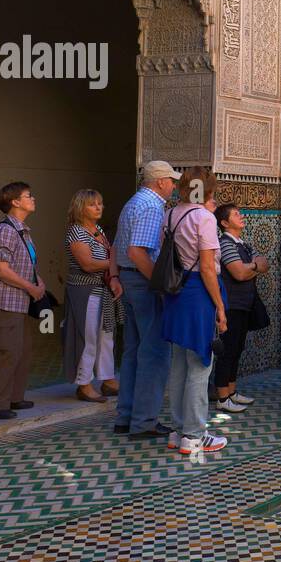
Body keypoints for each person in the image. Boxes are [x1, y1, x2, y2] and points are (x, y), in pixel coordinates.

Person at [161, 166, 229, 455]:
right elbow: (206, 267)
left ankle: (178, 431)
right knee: (200, 366)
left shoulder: (171, 214)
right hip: (198, 294)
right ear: (208, 190)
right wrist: (220, 306)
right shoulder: (204, 217)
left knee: (178, 364)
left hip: (175, 293)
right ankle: (195, 434)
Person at [113, 160, 180, 439]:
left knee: (133, 351)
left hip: (129, 281)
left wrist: (116, 278)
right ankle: (144, 422)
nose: (174, 186)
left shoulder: (132, 202)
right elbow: (137, 251)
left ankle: (126, 417)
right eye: (172, 181)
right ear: (160, 182)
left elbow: (117, 247)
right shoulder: (152, 206)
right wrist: (160, 285)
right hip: (142, 283)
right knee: (154, 353)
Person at [0, 182, 44, 420]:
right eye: (28, 196)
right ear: (15, 202)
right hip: (5, 302)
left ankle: (14, 397)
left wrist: (38, 283)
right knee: (6, 351)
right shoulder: (6, 231)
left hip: (21, 302)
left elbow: (25, 263)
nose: (33, 199)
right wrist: (31, 286)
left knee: (22, 350)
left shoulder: (21, 230)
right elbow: (1, 269)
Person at [62, 189, 122, 403]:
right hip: (84, 291)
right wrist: (116, 263)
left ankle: (108, 379)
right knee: (88, 338)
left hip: (102, 290)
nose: (98, 208)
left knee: (106, 336)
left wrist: (113, 275)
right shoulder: (76, 232)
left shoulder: (97, 230)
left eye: (100, 203)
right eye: (92, 204)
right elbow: (87, 264)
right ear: (81, 208)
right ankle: (84, 383)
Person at [214, 203, 269, 413]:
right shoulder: (225, 244)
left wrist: (250, 267)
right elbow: (237, 273)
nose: (241, 216)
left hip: (244, 305)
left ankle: (232, 391)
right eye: (236, 214)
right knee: (228, 351)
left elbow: (264, 263)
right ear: (225, 222)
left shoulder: (243, 244)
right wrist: (252, 267)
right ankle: (222, 396)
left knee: (237, 349)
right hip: (231, 306)